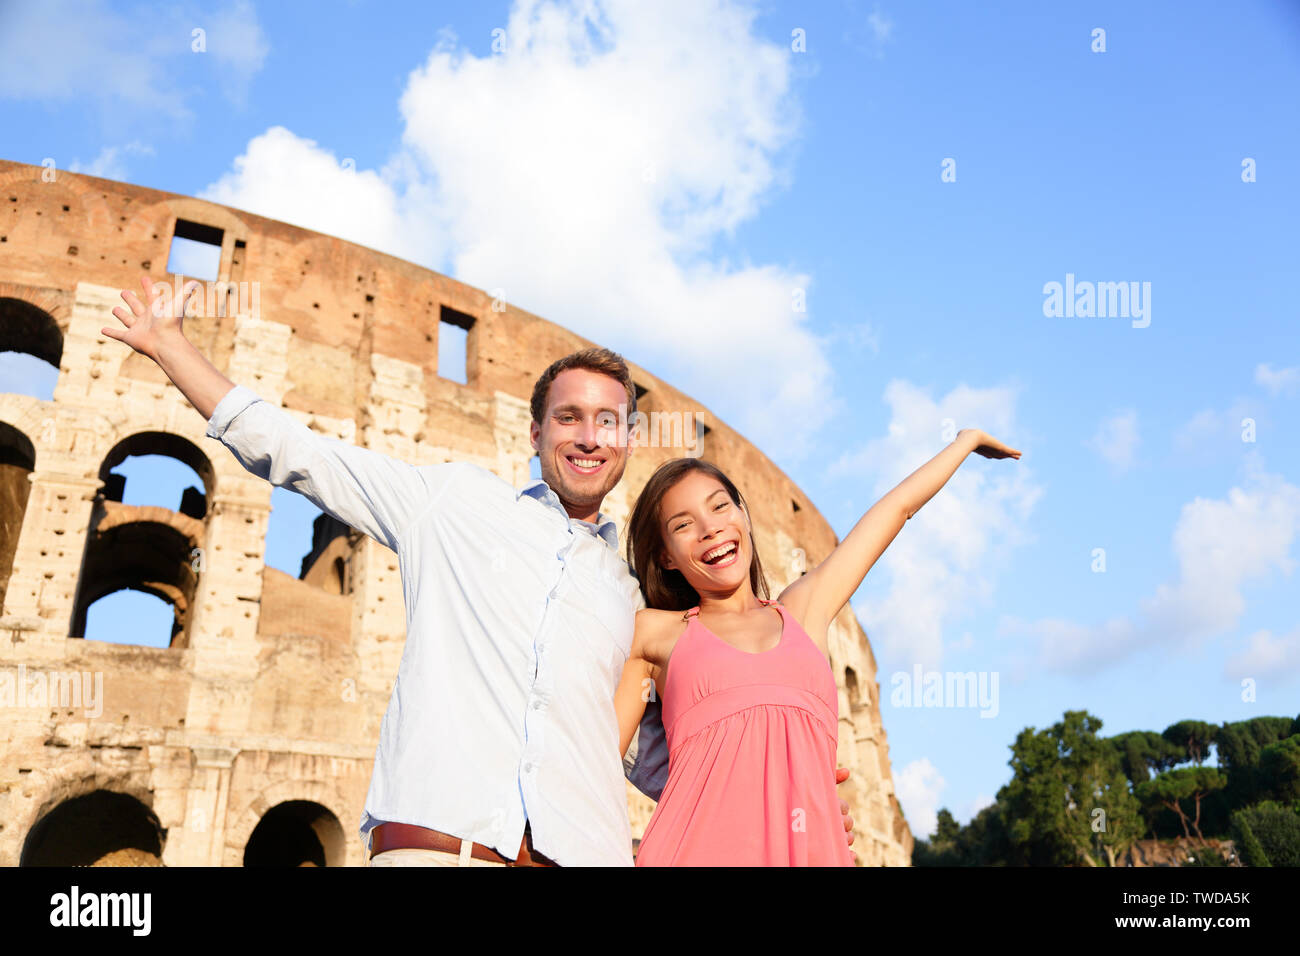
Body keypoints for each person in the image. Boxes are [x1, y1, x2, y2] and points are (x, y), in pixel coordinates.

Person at [103, 275, 853, 866]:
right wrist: (171, 348)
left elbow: (664, 756)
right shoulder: (453, 504)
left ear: (628, 442)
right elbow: (301, 456)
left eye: (608, 422)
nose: (588, 438)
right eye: (568, 418)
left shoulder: (629, 601)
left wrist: (797, 761)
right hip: (436, 846)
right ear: (534, 432)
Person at [617, 430, 1020, 865]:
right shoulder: (655, 633)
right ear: (665, 558)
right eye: (683, 524)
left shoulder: (804, 612)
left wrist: (965, 442)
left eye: (720, 506)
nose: (710, 528)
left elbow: (897, 511)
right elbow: (598, 762)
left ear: (744, 515)